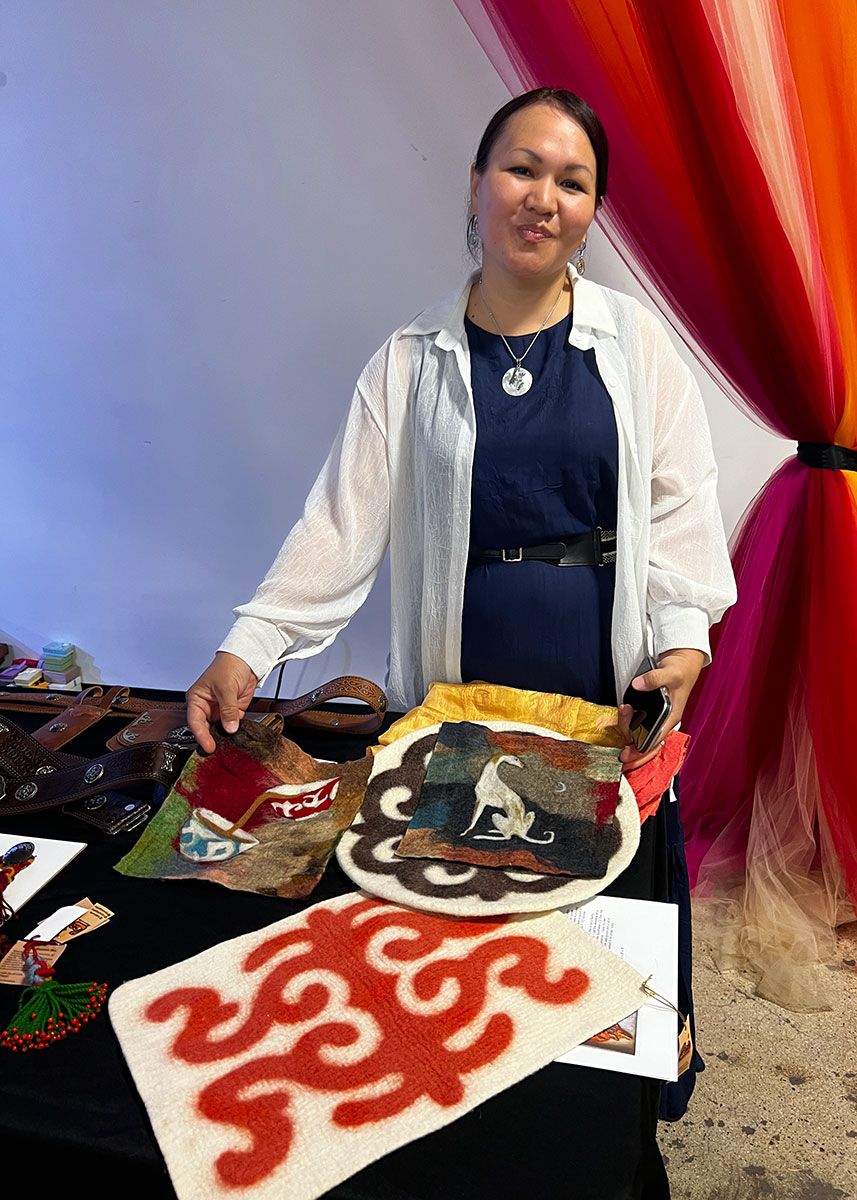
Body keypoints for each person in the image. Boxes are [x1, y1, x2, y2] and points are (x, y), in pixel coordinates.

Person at [187, 88, 736, 1195]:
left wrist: (678, 646)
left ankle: (602, 1128)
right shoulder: (409, 360)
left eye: (571, 182)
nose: (544, 198)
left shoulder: (634, 348)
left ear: (591, 210)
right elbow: (339, 524)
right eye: (522, 169)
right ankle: (476, 1120)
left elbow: (678, 512)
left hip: (599, 675)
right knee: (467, 905)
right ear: (477, 185)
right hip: (460, 685)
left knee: (595, 909)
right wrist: (250, 645)